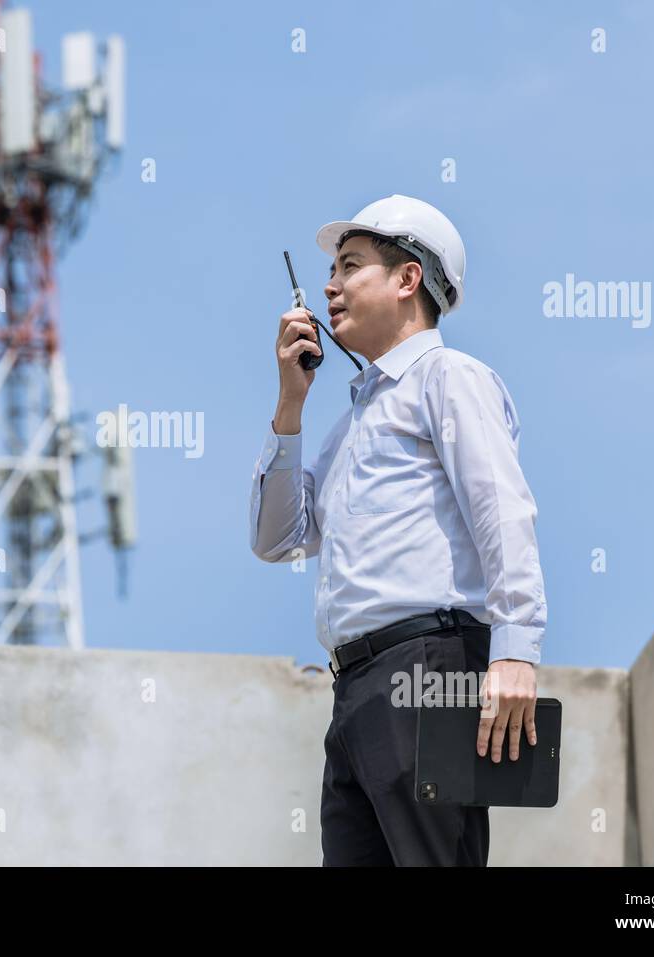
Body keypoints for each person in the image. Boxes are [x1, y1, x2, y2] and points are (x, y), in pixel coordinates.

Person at [248, 195, 547, 866]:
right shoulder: (351, 421)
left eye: (350, 265)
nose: (330, 285)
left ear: (408, 279)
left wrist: (515, 649)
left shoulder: (449, 378)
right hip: (356, 687)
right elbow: (277, 538)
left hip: (429, 664)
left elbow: (503, 508)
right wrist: (291, 402)